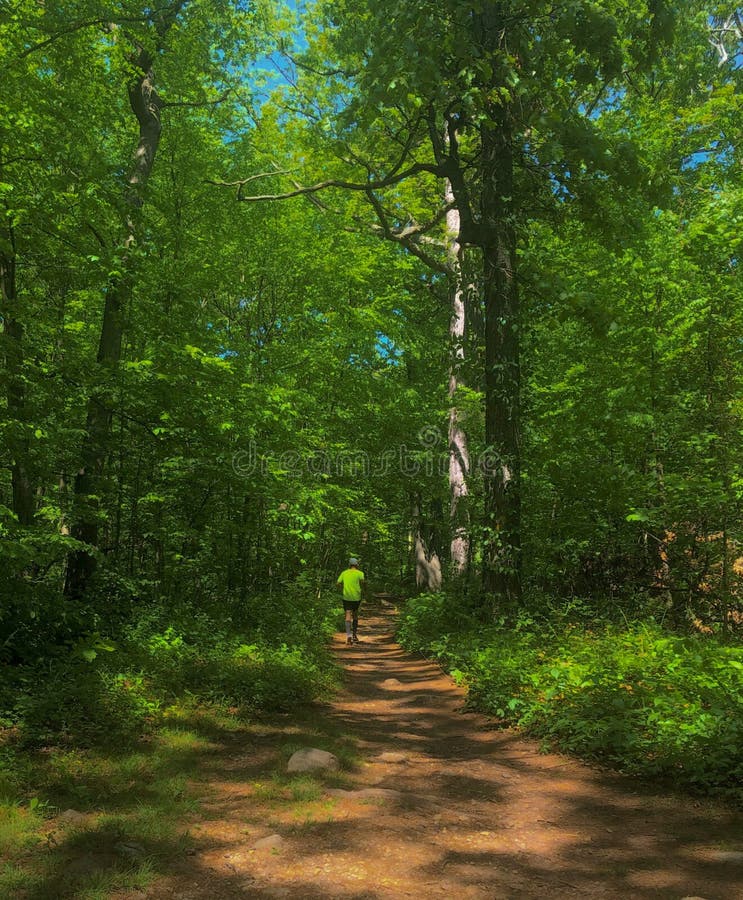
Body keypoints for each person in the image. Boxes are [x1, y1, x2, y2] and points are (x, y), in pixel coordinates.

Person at [337, 557, 365, 645]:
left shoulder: (344, 573)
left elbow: (338, 583)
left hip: (346, 597)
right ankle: (354, 635)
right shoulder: (360, 573)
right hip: (357, 597)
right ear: (357, 565)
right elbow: (363, 583)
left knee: (348, 615)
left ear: (349, 564)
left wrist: (343, 588)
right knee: (355, 615)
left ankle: (348, 635)